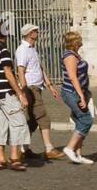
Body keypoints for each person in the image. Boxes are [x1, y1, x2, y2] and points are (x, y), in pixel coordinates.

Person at [16, 23, 65, 161]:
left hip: (37, 87)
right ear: (29, 33)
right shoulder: (23, 50)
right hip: (30, 88)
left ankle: (23, 149)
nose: (37, 32)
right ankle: (49, 149)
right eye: (35, 31)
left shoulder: (32, 49)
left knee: (32, 121)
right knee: (43, 117)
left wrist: (49, 85)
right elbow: (20, 70)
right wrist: (24, 90)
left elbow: (40, 68)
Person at [0, 23, 30, 171]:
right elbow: (8, 73)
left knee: (3, 125)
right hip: (6, 92)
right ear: (5, 33)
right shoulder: (3, 50)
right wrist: (20, 93)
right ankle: (14, 157)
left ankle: (0, 157)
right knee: (18, 122)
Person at [60, 29, 95, 164]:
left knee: (79, 121)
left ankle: (78, 155)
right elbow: (73, 77)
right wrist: (81, 96)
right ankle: (69, 148)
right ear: (74, 42)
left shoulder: (75, 55)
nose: (81, 42)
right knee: (86, 120)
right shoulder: (69, 56)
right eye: (79, 39)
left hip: (80, 92)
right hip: (72, 93)